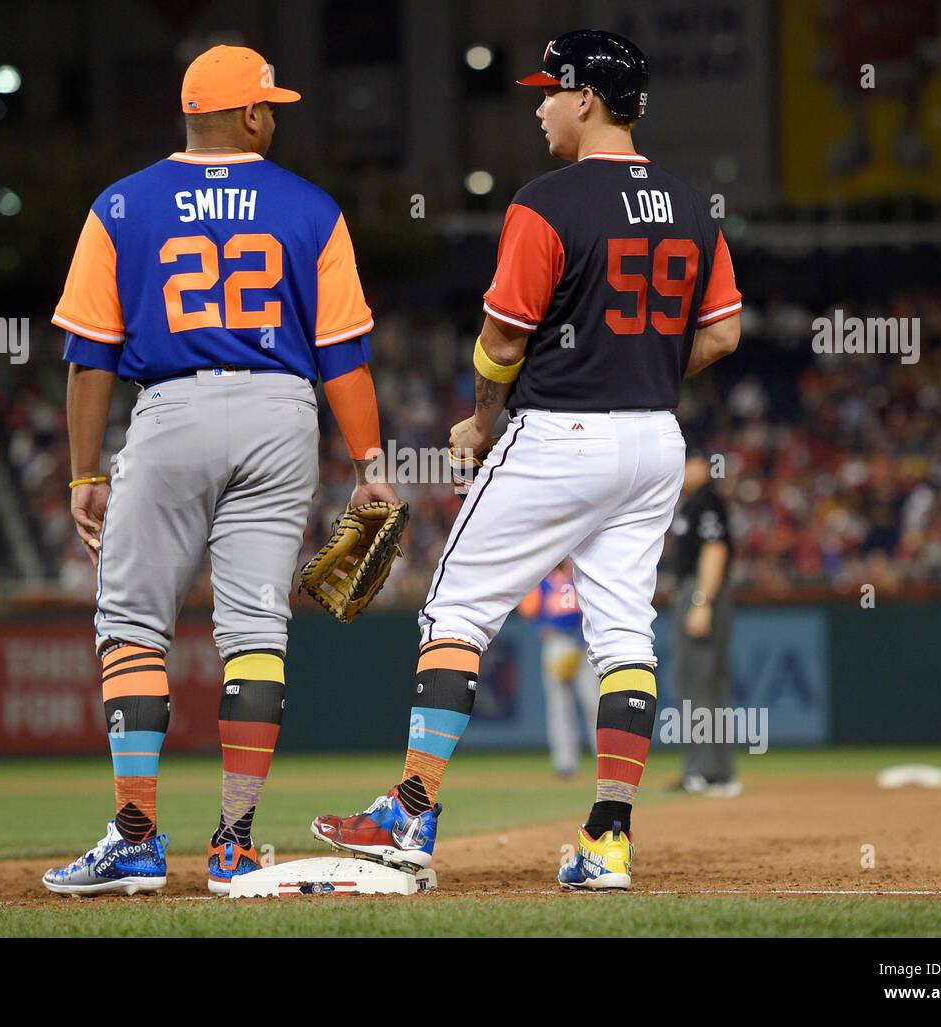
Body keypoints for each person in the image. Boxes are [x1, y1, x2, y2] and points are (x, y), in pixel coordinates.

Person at [312, 29, 741, 890]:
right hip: (655, 440)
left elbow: (504, 333)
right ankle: (609, 840)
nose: (540, 105)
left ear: (586, 98)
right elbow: (723, 330)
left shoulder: (546, 201)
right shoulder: (695, 205)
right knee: (625, 633)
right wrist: (647, 366)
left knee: (456, 610)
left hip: (560, 433)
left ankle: (409, 811)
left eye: (550, 90)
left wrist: (478, 423)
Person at [41, 45, 397, 896]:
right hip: (283, 410)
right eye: (268, 104)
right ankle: (235, 844)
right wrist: (372, 464)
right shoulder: (309, 207)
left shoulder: (121, 206)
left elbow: (90, 358)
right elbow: (343, 354)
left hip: (171, 408)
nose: (274, 115)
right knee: (256, 630)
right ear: (246, 115)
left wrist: (84, 473)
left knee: (131, 619)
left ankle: (135, 836)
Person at [667, 448, 741, 796]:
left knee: (697, 683)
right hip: (697, 591)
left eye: (686, 462)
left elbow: (715, 550)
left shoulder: (706, 500)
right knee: (707, 684)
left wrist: (701, 601)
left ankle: (704, 772)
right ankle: (718, 773)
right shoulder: (693, 501)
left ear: (700, 465)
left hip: (702, 591)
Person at [519, 563, 601, 777]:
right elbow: (529, 612)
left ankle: (604, 761)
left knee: (594, 703)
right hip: (556, 643)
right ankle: (565, 763)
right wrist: (541, 629)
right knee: (559, 706)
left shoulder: (580, 574)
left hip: (584, 645)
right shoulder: (543, 580)